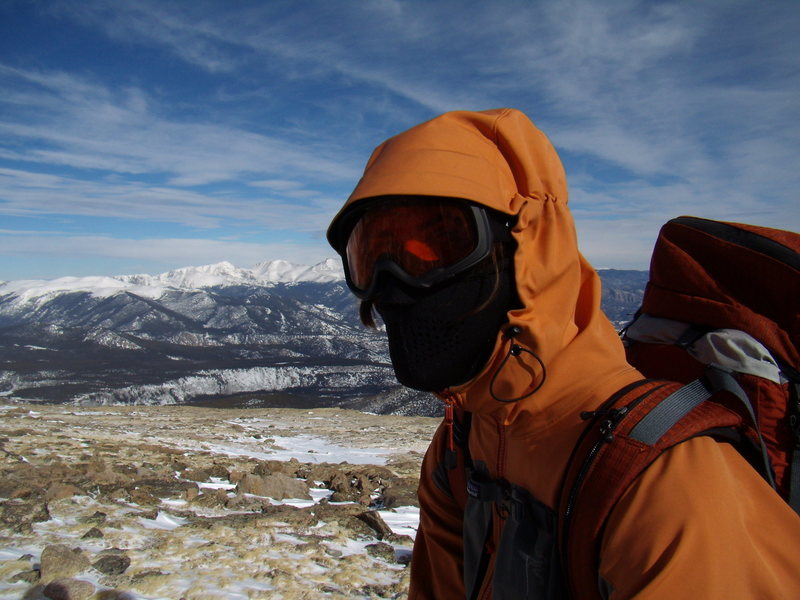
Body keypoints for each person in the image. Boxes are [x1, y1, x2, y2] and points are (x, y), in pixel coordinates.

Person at [326, 108, 800, 599]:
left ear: (528, 245)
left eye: (437, 246)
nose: (393, 285)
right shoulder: (463, 439)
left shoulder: (672, 489)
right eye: (371, 256)